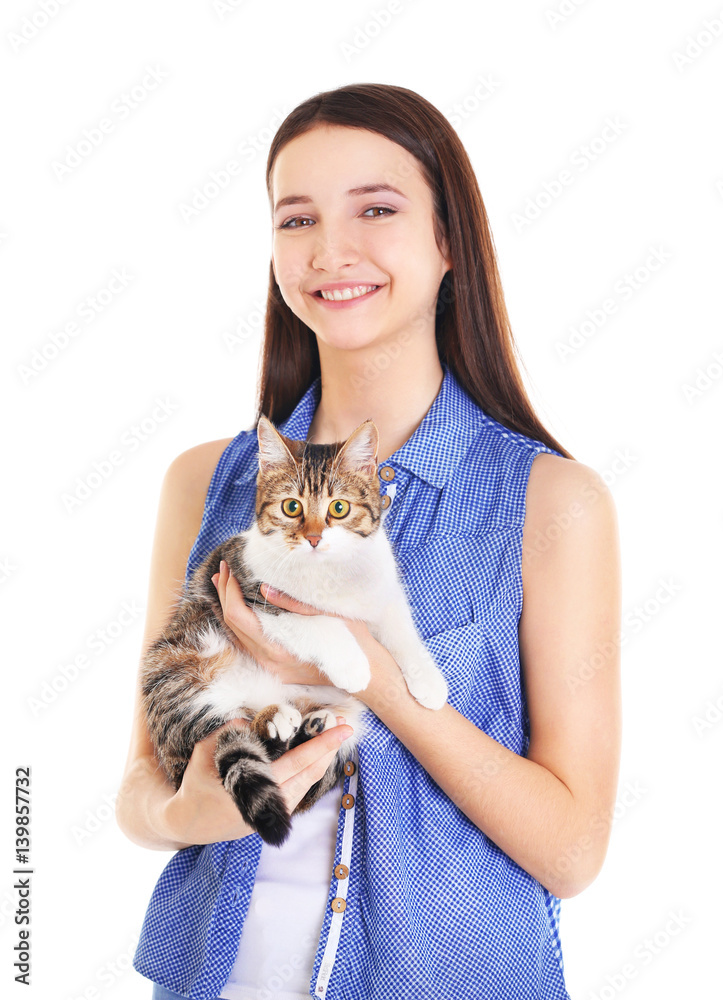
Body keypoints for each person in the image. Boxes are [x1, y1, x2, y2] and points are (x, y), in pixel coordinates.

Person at [116, 83, 622, 1000]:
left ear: (447, 242)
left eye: (376, 209)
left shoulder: (552, 504)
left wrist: (373, 672)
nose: (329, 251)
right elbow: (139, 792)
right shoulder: (206, 483)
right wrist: (185, 813)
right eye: (296, 218)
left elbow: (574, 851)